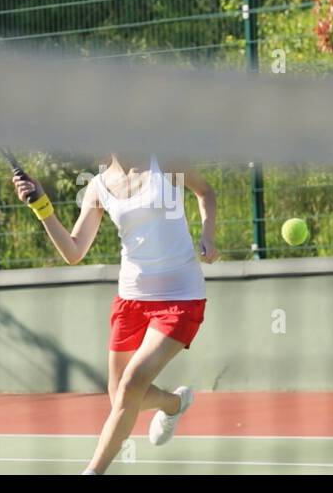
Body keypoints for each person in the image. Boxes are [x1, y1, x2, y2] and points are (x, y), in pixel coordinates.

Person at [12, 151, 217, 474]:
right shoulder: (98, 187)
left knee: (131, 385)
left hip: (181, 296)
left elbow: (205, 191)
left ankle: (92, 471)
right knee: (119, 394)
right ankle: (174, 404)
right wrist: (42, 207)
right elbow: (74, 251)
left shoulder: (165, 165)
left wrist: (208, 234)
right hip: (131, 299)